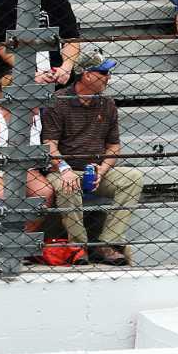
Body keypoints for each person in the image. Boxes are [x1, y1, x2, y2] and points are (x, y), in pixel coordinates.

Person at [38, 46, 146, 264]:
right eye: (103, 73)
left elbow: (114, 147)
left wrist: (102, 170)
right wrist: (65, 169)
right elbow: (49, 144)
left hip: (95, 169)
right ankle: (79, 247)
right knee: (68, 185)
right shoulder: (58, 101)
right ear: (86, 74)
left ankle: (108, 243)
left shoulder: (107, 103)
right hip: (63, 169)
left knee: (133, 178)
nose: (108, 77)